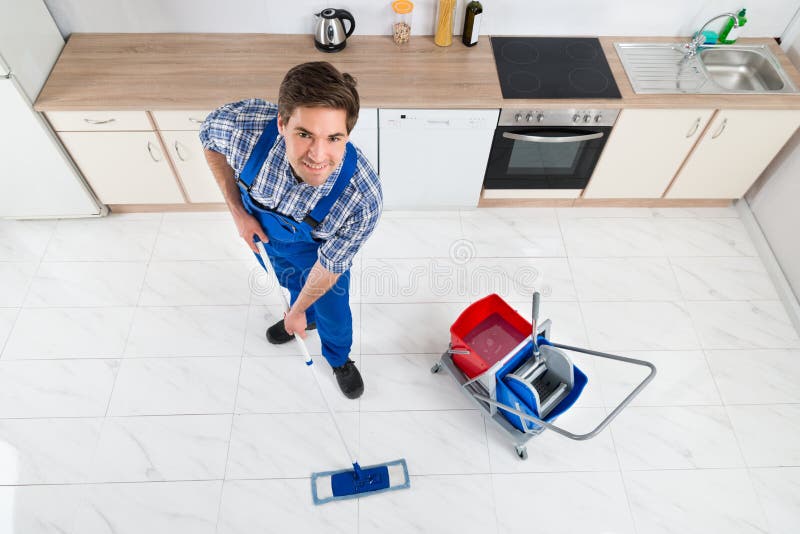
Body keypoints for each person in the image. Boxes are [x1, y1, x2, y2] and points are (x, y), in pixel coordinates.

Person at [200, 62, 382, 399]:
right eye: (304, 134)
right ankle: (306, 318)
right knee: (289, 281)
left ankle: (338, 358)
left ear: (347, 135)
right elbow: (209, 139)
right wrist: (239, 213)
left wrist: (293, 313)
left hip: (319, 252)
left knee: (334, 309)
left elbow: (328, 267)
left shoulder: (361, 199)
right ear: (282, 123)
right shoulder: (243, 128)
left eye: (333, 138)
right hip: (266, 239)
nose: (318, 155)